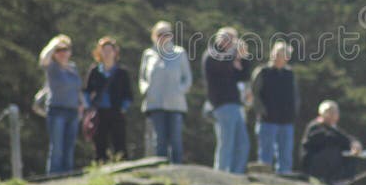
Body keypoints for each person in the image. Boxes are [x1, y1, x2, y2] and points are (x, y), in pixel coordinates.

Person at [139, 21, 192, 163]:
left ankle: (177, 169)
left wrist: (180, 90)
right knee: (159, 139)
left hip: (176, 104)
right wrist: (146, 90)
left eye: (166, 34)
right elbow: (142, 78)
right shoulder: (149, 54)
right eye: (159, 34)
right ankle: (161, 169)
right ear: (154, 36)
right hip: (155, 102)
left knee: (175, 139)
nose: (163, 37)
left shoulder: (179, 53)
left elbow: (187, 78)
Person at [202, 26, 252, 173]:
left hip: (236, 104)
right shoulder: (212, 55)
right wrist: (234, 54)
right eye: (226, 38)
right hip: (221, 104)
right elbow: (223, 66)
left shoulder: (230, 56)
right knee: (226, 142)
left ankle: (236, 174)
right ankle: (221, 172)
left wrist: (244, 57)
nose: (230, 42)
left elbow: (243, 75)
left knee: (243, 143)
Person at [251, 41, 299, 173]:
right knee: (265, 154)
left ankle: (284, 179)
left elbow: (295, 96)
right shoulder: (262, 72)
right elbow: (255, 94)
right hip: (267, 120)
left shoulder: (290, 74)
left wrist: (293, 113)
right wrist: (262, 112)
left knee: (285, 155)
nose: (278, 56)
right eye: (277, 53)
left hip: (286, 121)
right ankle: (264, 181)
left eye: (283, 54)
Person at [38, 34, 83, 175]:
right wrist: (54, 44)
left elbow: (78, 89)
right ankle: (54, 176)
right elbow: (43, 58)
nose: (63, 53)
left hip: (73, 111)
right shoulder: (52, 68)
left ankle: (68, 175)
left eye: (65, 49)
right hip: (56, 110)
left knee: (69, 147)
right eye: (59, 50)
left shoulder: (73, 68)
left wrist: (82, 106)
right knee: (57, 148)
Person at [84, 36, 133, 162]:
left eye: (109, 50)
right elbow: (87, 91)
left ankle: (122, 167)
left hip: (116, 111)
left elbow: (128, 94)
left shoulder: (122, 72)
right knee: (100, 143)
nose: (107, 53)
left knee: (119, 142)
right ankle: (101, 167)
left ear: (115, 52)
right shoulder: (95, 71)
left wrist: (123, 108)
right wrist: (90, 107)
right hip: (99, 112)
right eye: (104, 50)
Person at [300, 100, 363, 183]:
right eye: (332, 113)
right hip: (313, 162)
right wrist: (347, 142)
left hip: (327, 162)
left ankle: (343, 181)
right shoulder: (315, 127)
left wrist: (354, 143)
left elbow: (345, 137)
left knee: (352, 155)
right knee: (332, 151)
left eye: (336, 113)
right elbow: (329, 138)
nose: (334, 116)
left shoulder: (332, 128)